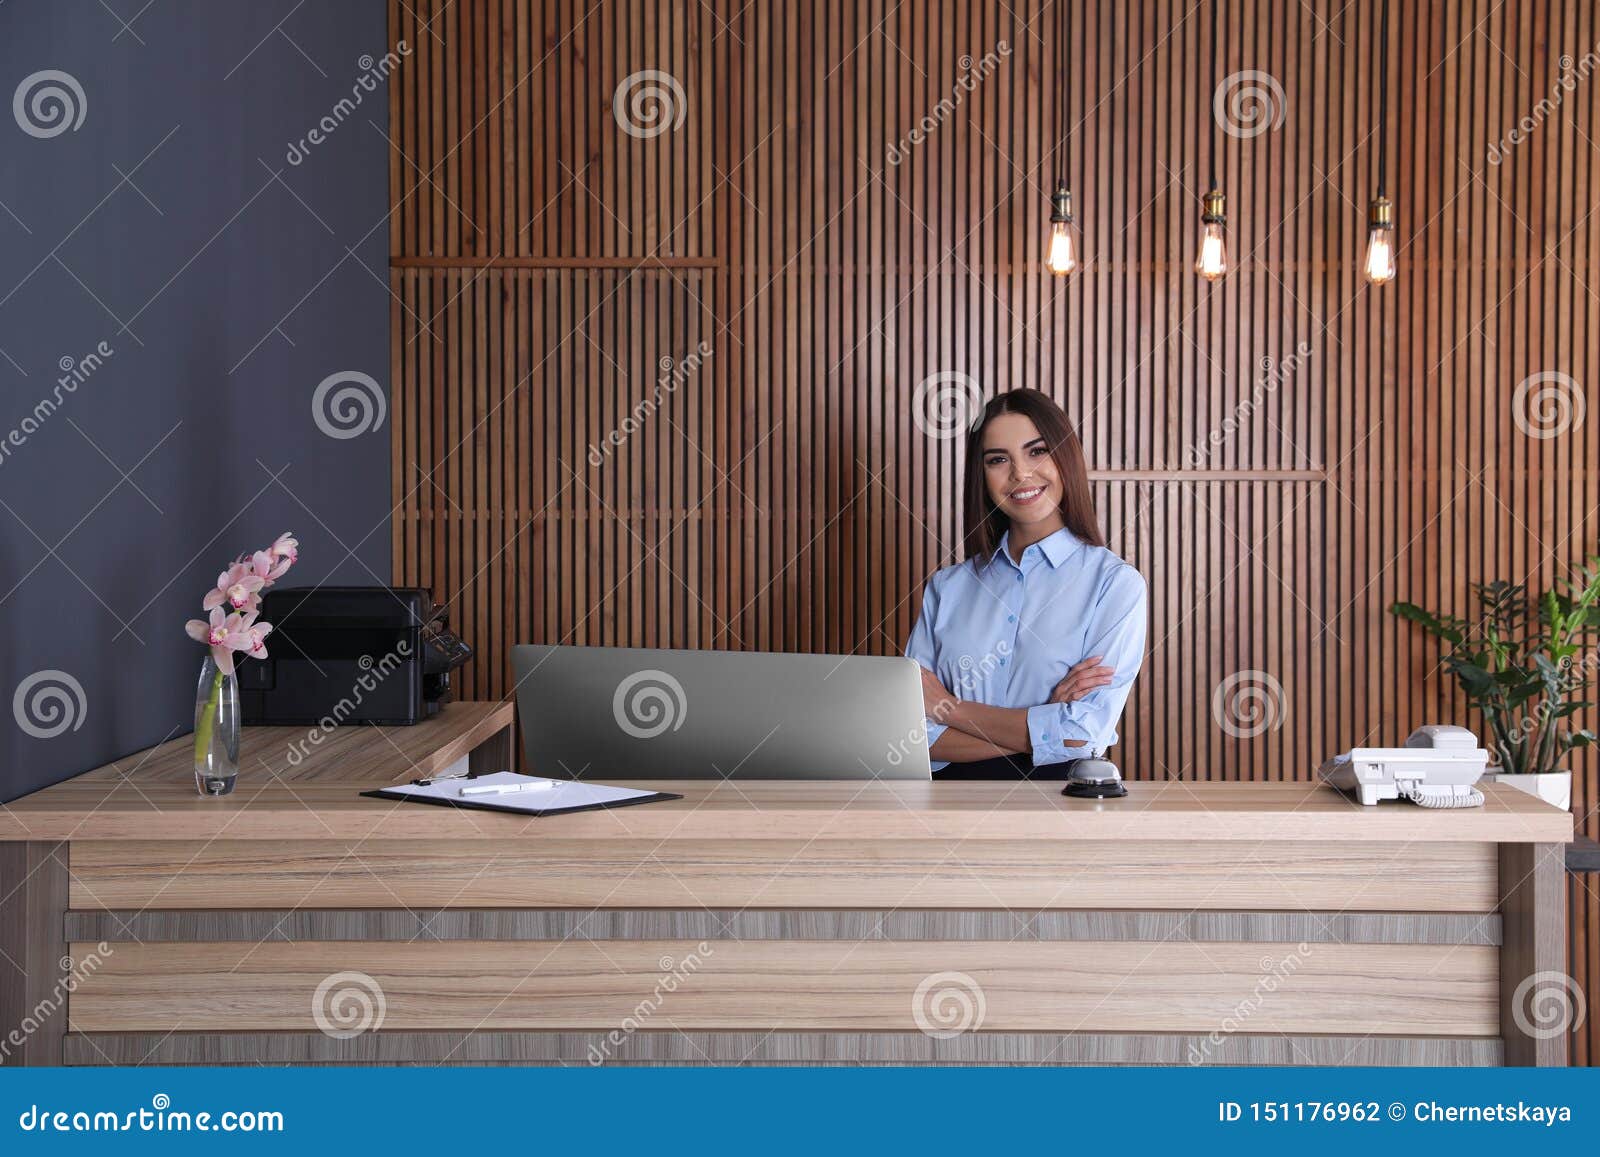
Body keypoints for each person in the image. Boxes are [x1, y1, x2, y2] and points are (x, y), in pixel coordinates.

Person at [905, 388, 1147, 778]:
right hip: (946, 807)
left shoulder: (1114, 586)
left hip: (1057, 806)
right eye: (998, 459)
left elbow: (1083, 734)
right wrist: (1044, 721)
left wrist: (947, 707)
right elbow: (910, 735)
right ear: (981, 477)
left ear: (1065, 456)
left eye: (1036, 451)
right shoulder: (946, 589)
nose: (1020, 473)